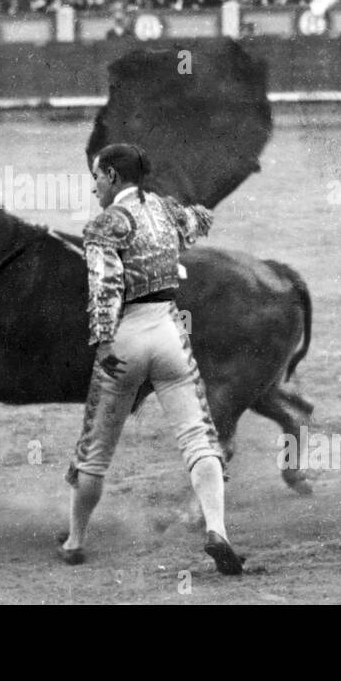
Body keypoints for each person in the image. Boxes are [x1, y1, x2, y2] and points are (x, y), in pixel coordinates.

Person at [58, 143, 245, 575]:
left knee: (96, 448)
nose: (94, 187)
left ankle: (75, 539)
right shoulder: (165, 210)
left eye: (97, 178)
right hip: (168, 333)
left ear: (113, 177)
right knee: (199, 438)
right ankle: (217, 529)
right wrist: (178, 225)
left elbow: (104, 291)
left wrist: (103, 346)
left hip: (126, 337)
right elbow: (202, 219)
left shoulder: (105, 226)